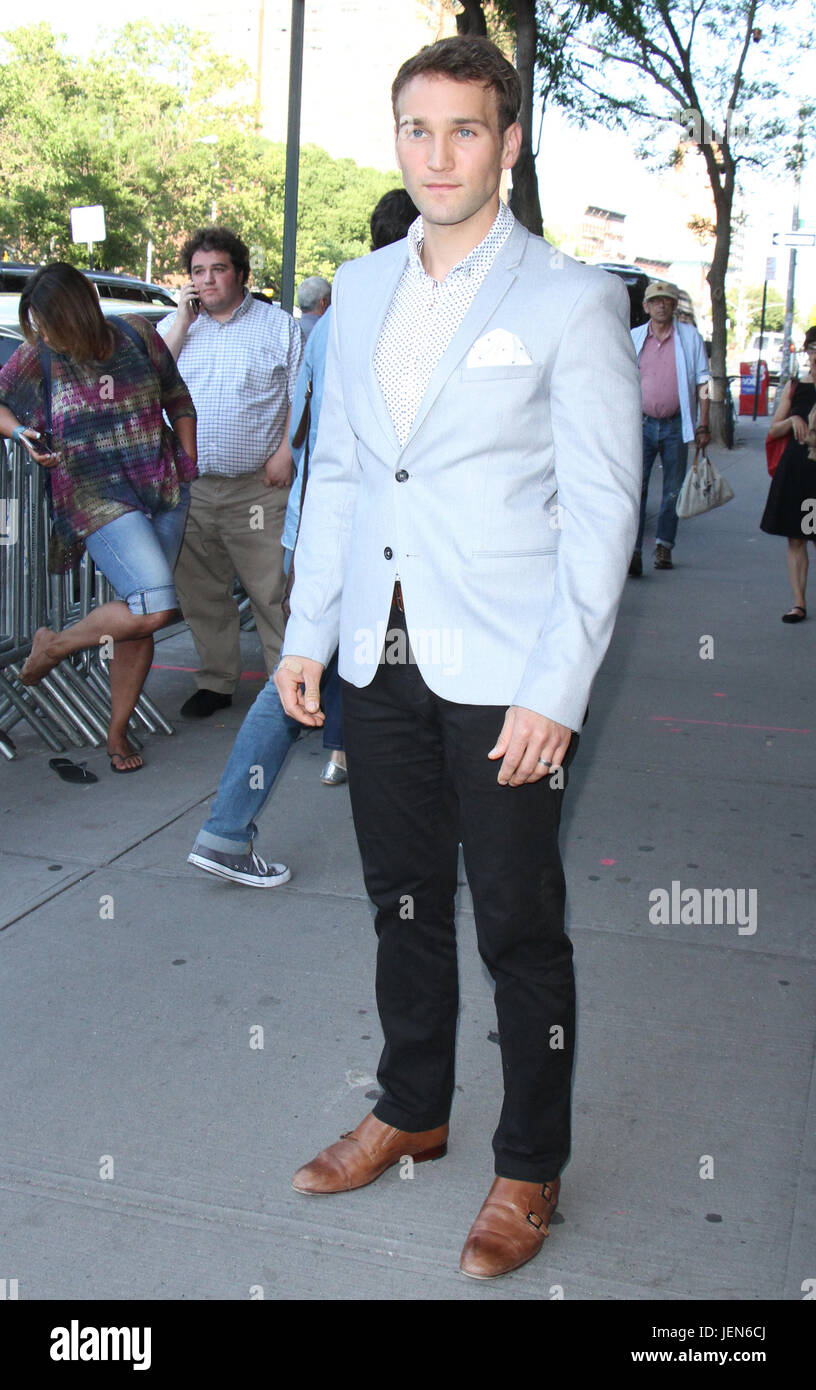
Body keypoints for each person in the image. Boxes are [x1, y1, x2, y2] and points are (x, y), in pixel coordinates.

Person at [274, 36, 642, 1280]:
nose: (440, 155)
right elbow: (337, 472)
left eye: (467, 131)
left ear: (511, 142)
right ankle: (411, 1105)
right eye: (417, 130)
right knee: (403, 904)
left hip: (503, 670)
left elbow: (601, 511)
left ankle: (528, 1165)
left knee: (522, 932)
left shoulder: (571, 297)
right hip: (377, 660)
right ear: (397, 142)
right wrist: (305, 634)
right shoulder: (359, 287)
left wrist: (557, 687)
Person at [186, 190, 418, 885]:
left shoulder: (337, 317)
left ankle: (241, 821)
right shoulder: (386, 315)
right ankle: (233, 827)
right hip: (368, 536)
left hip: (325, 527)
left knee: (314, 668)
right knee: (320, 671)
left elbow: (307, 433)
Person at [0, 262, 197, 772]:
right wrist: (19, 432)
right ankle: (55, 647)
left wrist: (189, 458)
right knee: (154, 607)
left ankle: (116, 730)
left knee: (139, 614)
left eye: (49, 321)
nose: (42, 333)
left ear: (78, 311)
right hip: (93, 495)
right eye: (37, 323)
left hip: (161, 486)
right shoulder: (39, 354)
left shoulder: (135, 336)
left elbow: (177, 395)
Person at [158, 226, 303, 719]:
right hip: (192, 488)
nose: (207, 280)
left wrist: (286, 451)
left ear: (240, 273)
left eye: (218, 269)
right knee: (201, 590)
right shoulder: (173, 329)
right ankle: (216, 681)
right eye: (198, 272)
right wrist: (180, 320)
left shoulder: (276, 326)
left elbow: (299, 398)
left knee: (271, 591)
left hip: (256, 489)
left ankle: (289, 689)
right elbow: (150, 383)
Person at [629, 280, 710, 574]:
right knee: (635, 488)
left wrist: (703, 424)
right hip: (641, 424)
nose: (661, 305)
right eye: (655, 301)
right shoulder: (635, 338)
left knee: (673, 490)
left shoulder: (688, 338)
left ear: (674, 306)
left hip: (677, 425)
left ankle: (663, 545)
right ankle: (634, 551)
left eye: (666, 301)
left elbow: (703, 382)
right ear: (646, 306)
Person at [760, 326, 816, 621]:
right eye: (814, 349)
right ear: (807, 352)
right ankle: (799, 603)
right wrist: (793, 418)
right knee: (797, 538)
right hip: (798, 472)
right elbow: (773, 428)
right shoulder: (795, 387)